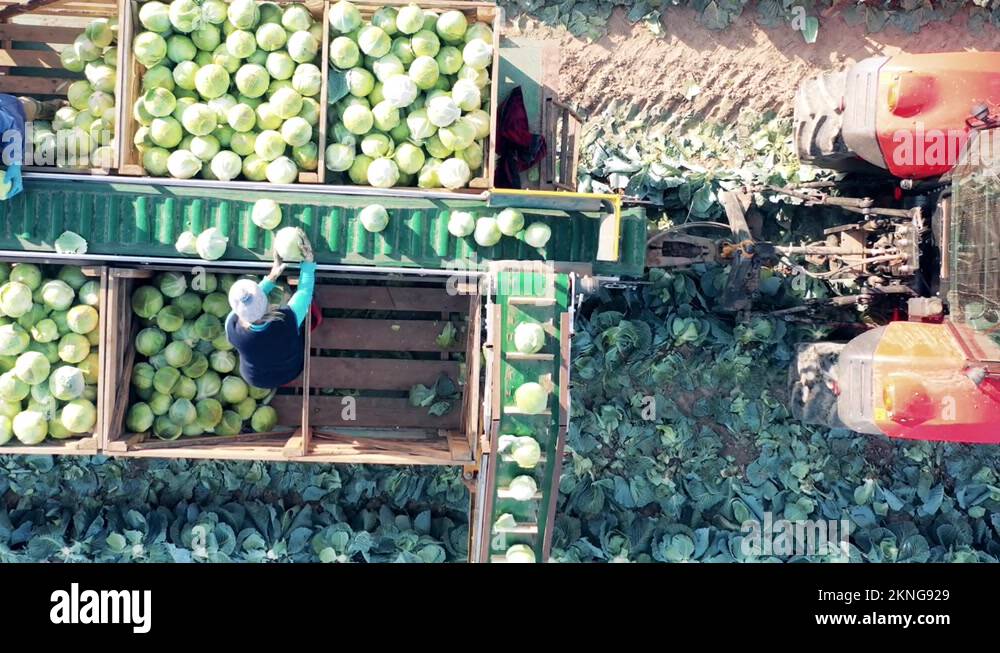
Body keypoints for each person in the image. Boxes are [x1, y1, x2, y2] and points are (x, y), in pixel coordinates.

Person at [225, 231, 316, 388]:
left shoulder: (232, 327)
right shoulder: (287, 320)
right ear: (265, 299)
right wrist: (308, 262)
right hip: (291, 371)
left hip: (256, 380)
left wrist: (272, 277)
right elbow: (304, 292)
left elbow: (248, 304)